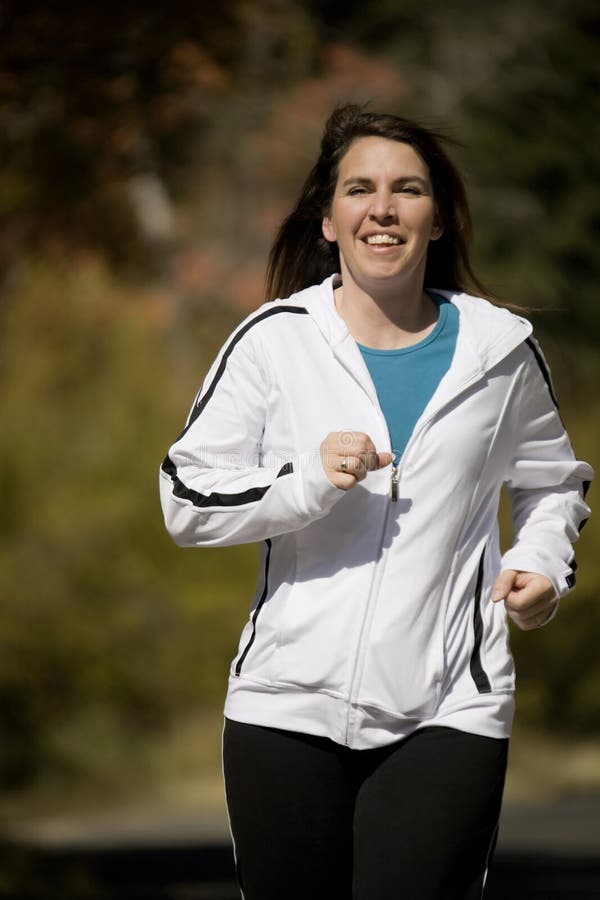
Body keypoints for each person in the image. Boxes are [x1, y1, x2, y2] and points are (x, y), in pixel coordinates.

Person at [159, 104, 593, 900]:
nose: (383, 208)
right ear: (328, 221)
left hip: (451, 705)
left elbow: (552, 479)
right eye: (360, 189)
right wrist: (306, 481)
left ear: (438, 219)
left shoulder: (501, 350)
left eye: (408, 190)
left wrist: (540, 564)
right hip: (284, 707)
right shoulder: (274, 341)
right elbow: (188, 500)